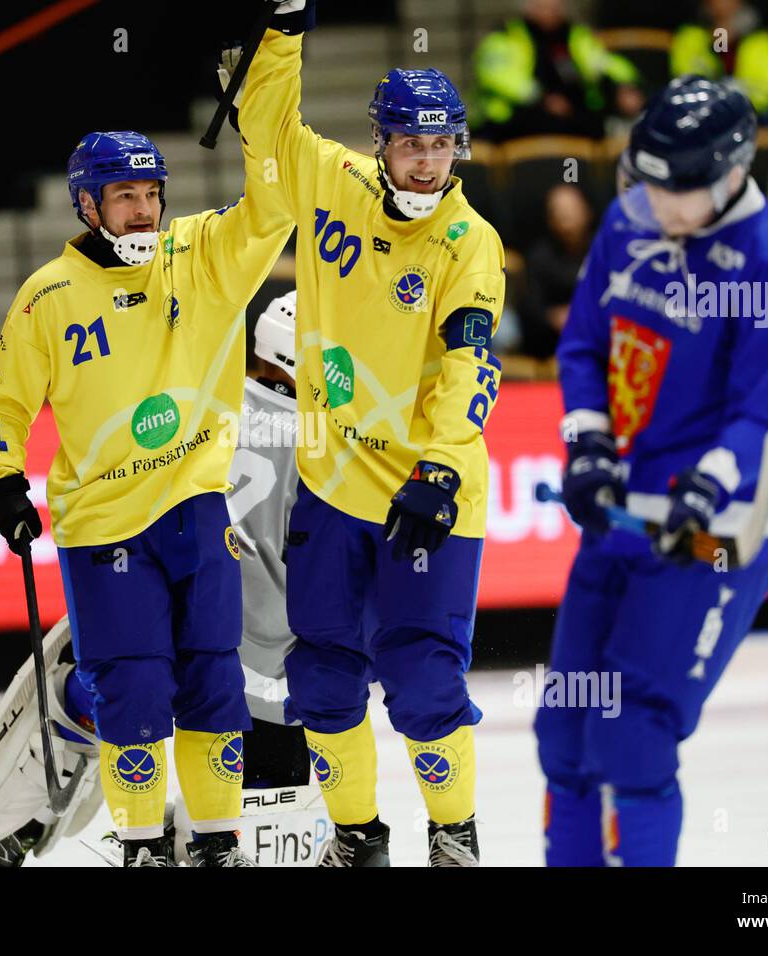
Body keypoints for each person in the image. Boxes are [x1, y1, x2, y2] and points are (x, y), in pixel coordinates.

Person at [0, 291, 331, 867]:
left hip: (169, 605)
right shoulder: (331, 436)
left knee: (107, 682)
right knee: (260, 820)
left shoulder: (205, 396)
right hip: (263, 681)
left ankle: (42, 799)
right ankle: (169, 827)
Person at [0, 126, 293, 866]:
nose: (144, 210)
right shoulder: (46, 296)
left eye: (151, 194)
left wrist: (265, 104)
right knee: (136, 694)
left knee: (216, 682)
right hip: (103, 529)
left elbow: (273, 207)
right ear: (88, 205)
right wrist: (3, 478)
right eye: (125, 196)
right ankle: (144, 848)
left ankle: (217, 845)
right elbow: (4, 401)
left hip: (198, 507)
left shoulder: (202, 255)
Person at [239, 0, 506, 867]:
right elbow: (266, 119)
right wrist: (282, 32)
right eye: (411, 144)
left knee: (426, 677)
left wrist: (438, 471)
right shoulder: (331, 181)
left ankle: (455, 837)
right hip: (329, 482)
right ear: (381, 142)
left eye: (442, 145)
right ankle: (357, 837)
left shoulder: (470, 242)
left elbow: (472, 367)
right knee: (320, 674)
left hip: (429, 489)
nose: (427, 162)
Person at [536, 77, 768, 866]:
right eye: (648, 182)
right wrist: (587, 444)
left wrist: (704, 488)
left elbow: (765, 409)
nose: (659, 204)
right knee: (565, 727)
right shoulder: (630, 221)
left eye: (678, 189)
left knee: (633, 730)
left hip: (712, 535)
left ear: (733, 172)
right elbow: (584, 345)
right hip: (627, 513)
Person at [471, 0, 642, 142]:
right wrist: (542, 97)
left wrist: (624, 84)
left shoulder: (576, 34)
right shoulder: (506, 34)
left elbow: (604, 62)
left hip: (574, 116)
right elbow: (495, 74)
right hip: (518, 119)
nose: (549, 7)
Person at [671, 0, 768, 125]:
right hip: (704, 108)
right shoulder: (690, 34)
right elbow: (686, 77)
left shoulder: (760, 38)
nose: (722, 4)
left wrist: (736, 100)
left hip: (752, 109)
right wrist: (716, 47)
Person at [519, 183, 594, 359]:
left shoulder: (602, 251)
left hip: (595, 331)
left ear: (587, 212)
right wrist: (554, 317)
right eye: (558, 211)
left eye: (571, 209)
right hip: (549, 341)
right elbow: (530, 305)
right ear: (550, 219)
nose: (565, 215)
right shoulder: (538, 255)